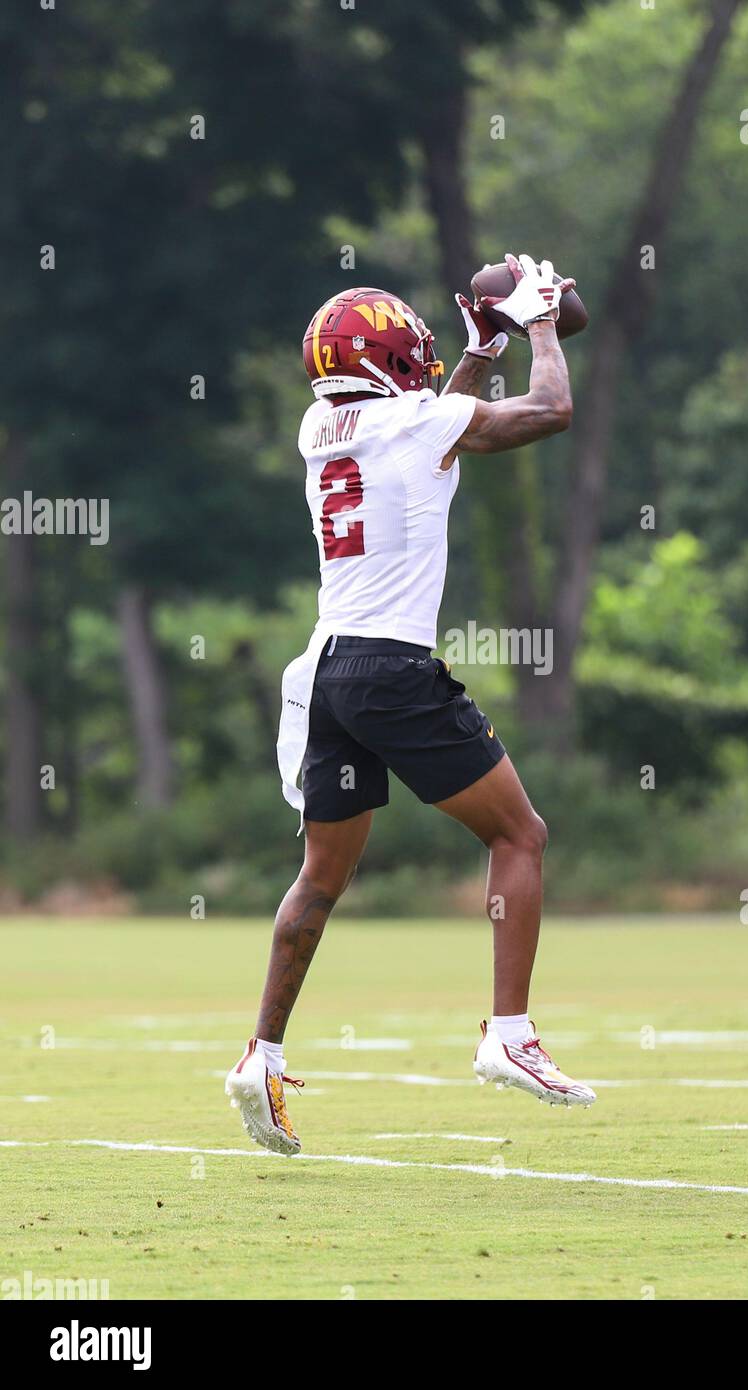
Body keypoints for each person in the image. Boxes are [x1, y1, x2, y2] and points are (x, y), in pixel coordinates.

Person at [226, 254, 595, 1156]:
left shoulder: (324, 426)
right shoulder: (411, 420)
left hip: (329, 674)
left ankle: (258, 1056)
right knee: (521, 836)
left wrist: (478, 352)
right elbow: (550, 411)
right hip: (391, 668)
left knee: (321, 874)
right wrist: (538, 321)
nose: (425, 363)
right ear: (387, 359)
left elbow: (432, 429)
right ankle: (509, 1036)